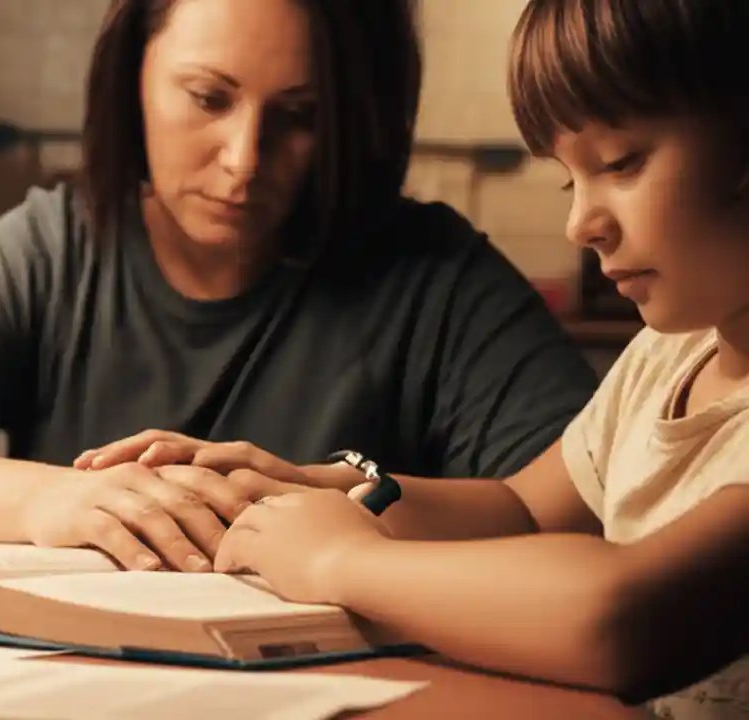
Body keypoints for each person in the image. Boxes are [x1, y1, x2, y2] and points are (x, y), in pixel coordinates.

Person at [0, 0, 596, 574]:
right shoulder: (53, 249)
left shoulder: (436, 279)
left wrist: (344, 502)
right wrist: (55, 501)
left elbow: (586, 510)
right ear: (133, 74)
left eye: (299, 117)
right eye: (208, 98)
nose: (244, 159)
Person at [213, 0, 749, 714]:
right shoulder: (667, 356)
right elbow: (522, 509)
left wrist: (340, 560)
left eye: (621, 163)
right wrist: (332, 494)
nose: (580, 223)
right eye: (569, 179)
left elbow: (622, 620)